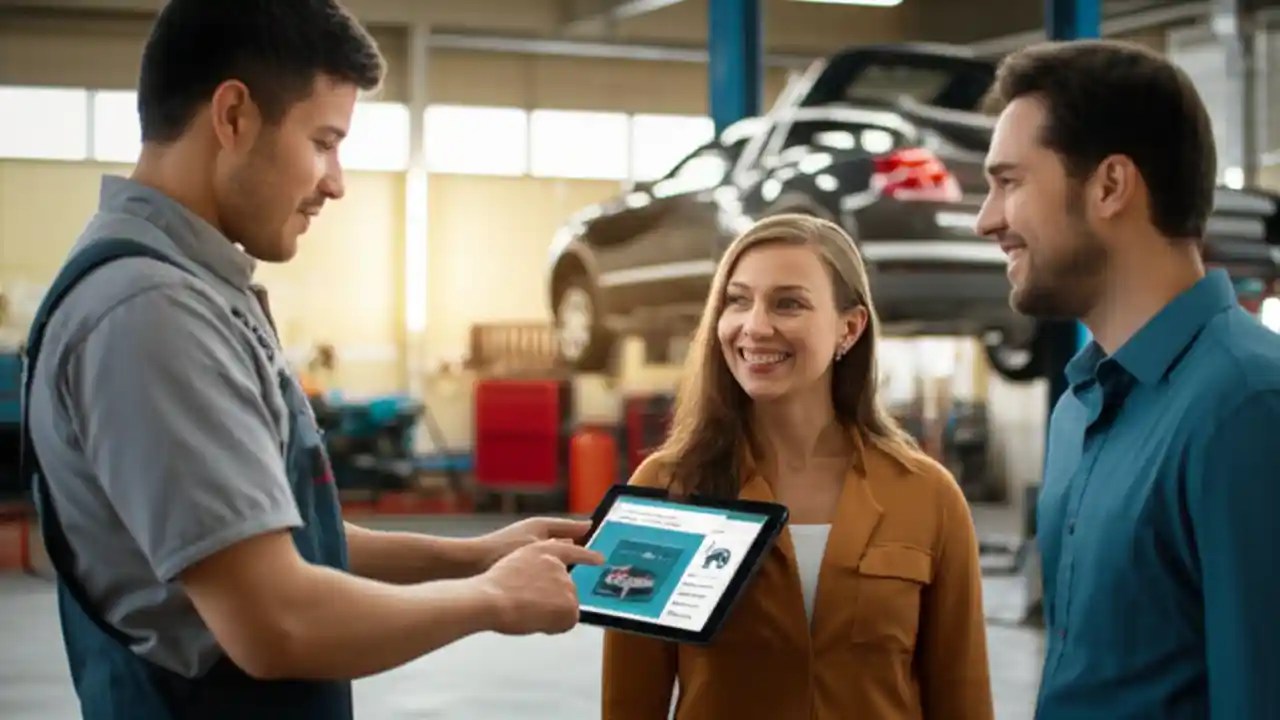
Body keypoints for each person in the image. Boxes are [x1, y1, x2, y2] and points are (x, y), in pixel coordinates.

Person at [22, 2, 601, 719]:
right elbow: (277, 620)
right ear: (233, 116)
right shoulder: (151, 313)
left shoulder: (188, 291)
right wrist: (491, 598)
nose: (336, 182)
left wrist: (474, 554)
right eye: (324, 142)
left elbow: (281, 545)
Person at [976, 39, 1280, 719]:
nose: (986, 219)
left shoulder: (1248, 407)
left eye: (1010, 182)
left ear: (1111, 186)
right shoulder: (1079, 409)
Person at [601, 214, 994, 719]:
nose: (755, 326)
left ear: (849, 328)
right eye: (738, 300)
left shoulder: (927, 496)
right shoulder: (665, 489)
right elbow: (629, 705)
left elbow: (964, 701)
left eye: (788, 303)